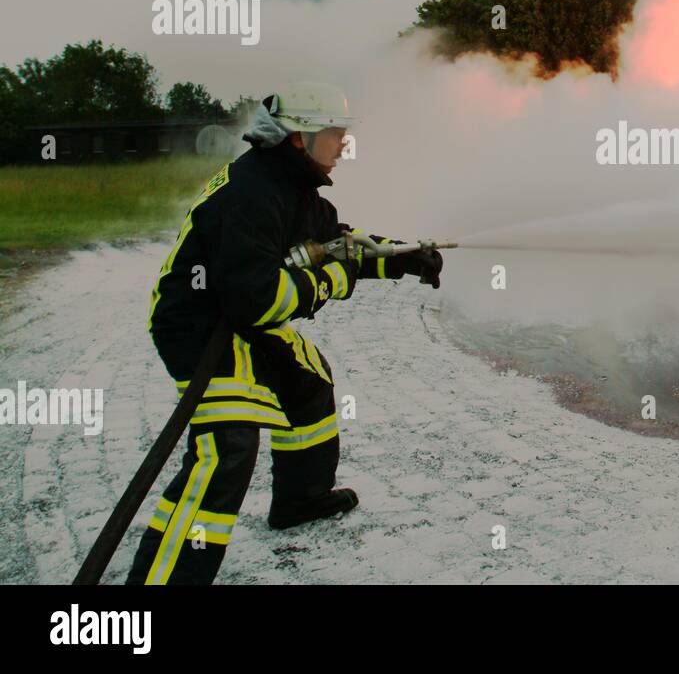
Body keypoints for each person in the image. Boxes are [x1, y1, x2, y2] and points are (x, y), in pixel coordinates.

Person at [125, 82, 442, 585]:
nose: (343, 145)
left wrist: (403, 258)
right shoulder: (252, 193)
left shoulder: (291, 186)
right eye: (335, 134)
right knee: (226, 449)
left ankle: (301, 499)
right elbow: (259, 300)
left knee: (308, 381)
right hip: (198, 327)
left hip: (238, 319)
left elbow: (338, 243)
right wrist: (334, 281)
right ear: (300, 137)